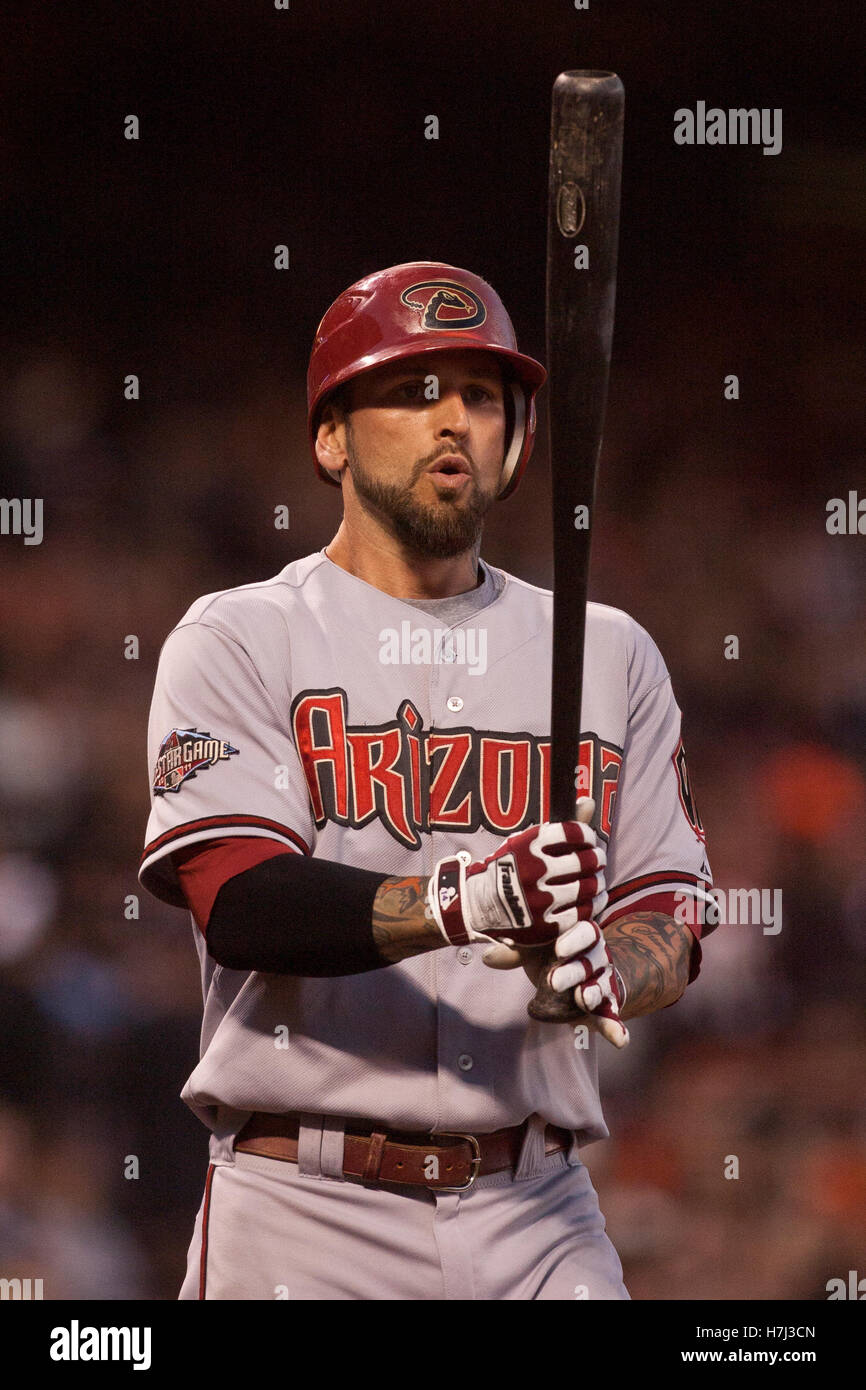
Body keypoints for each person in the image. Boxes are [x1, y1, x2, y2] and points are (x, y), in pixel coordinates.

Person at [139, 261, 716, 1301]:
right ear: (330, 438)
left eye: (481, 396)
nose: (452, 418)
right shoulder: (239, 635)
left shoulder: (607, 651)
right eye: (411, 390)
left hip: (538, 1204)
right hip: (305, 1205)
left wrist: (605, 974)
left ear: (518, 441)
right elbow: (244, 901)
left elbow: (667, 906)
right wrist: (469, 900)